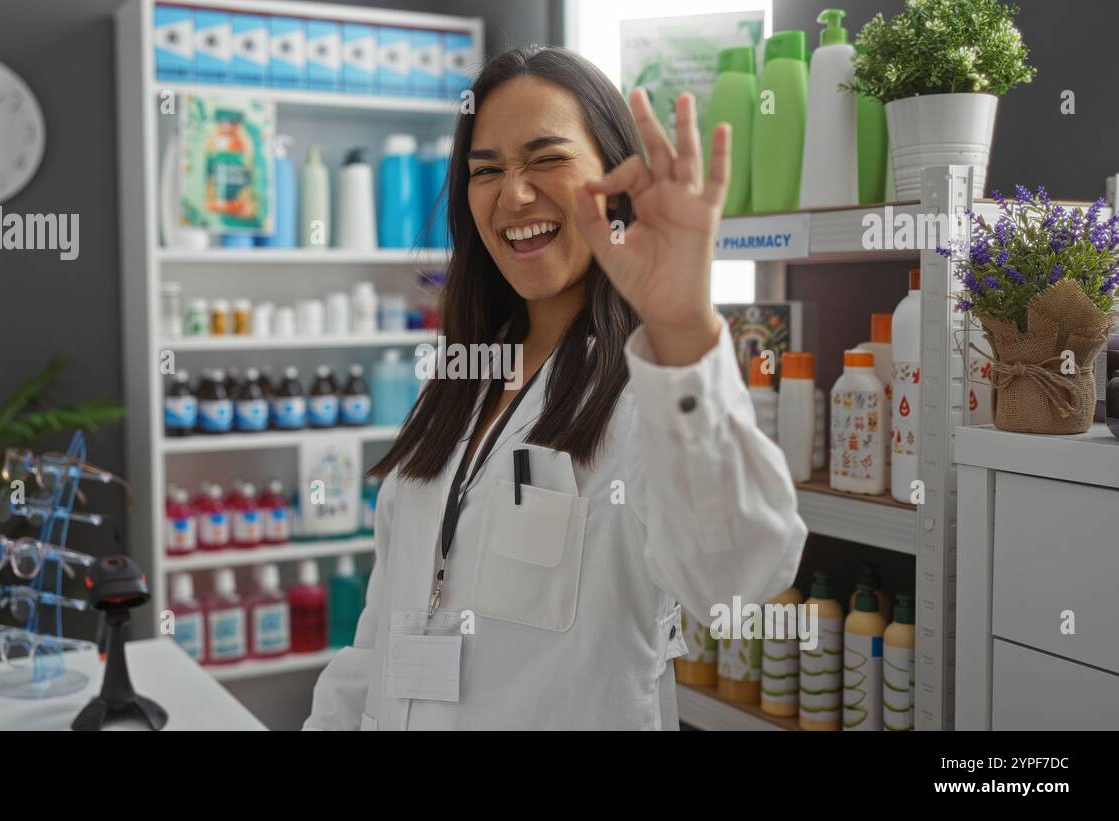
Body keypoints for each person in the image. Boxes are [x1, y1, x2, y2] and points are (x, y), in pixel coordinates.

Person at [305, 46, 805, 730]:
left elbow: (739, 570)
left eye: (546, 159)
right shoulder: (452, 389)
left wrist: (682, 322)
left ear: (615, 183)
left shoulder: (645, 393)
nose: (513, 194)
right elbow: (375, 641)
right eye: (486, 171)